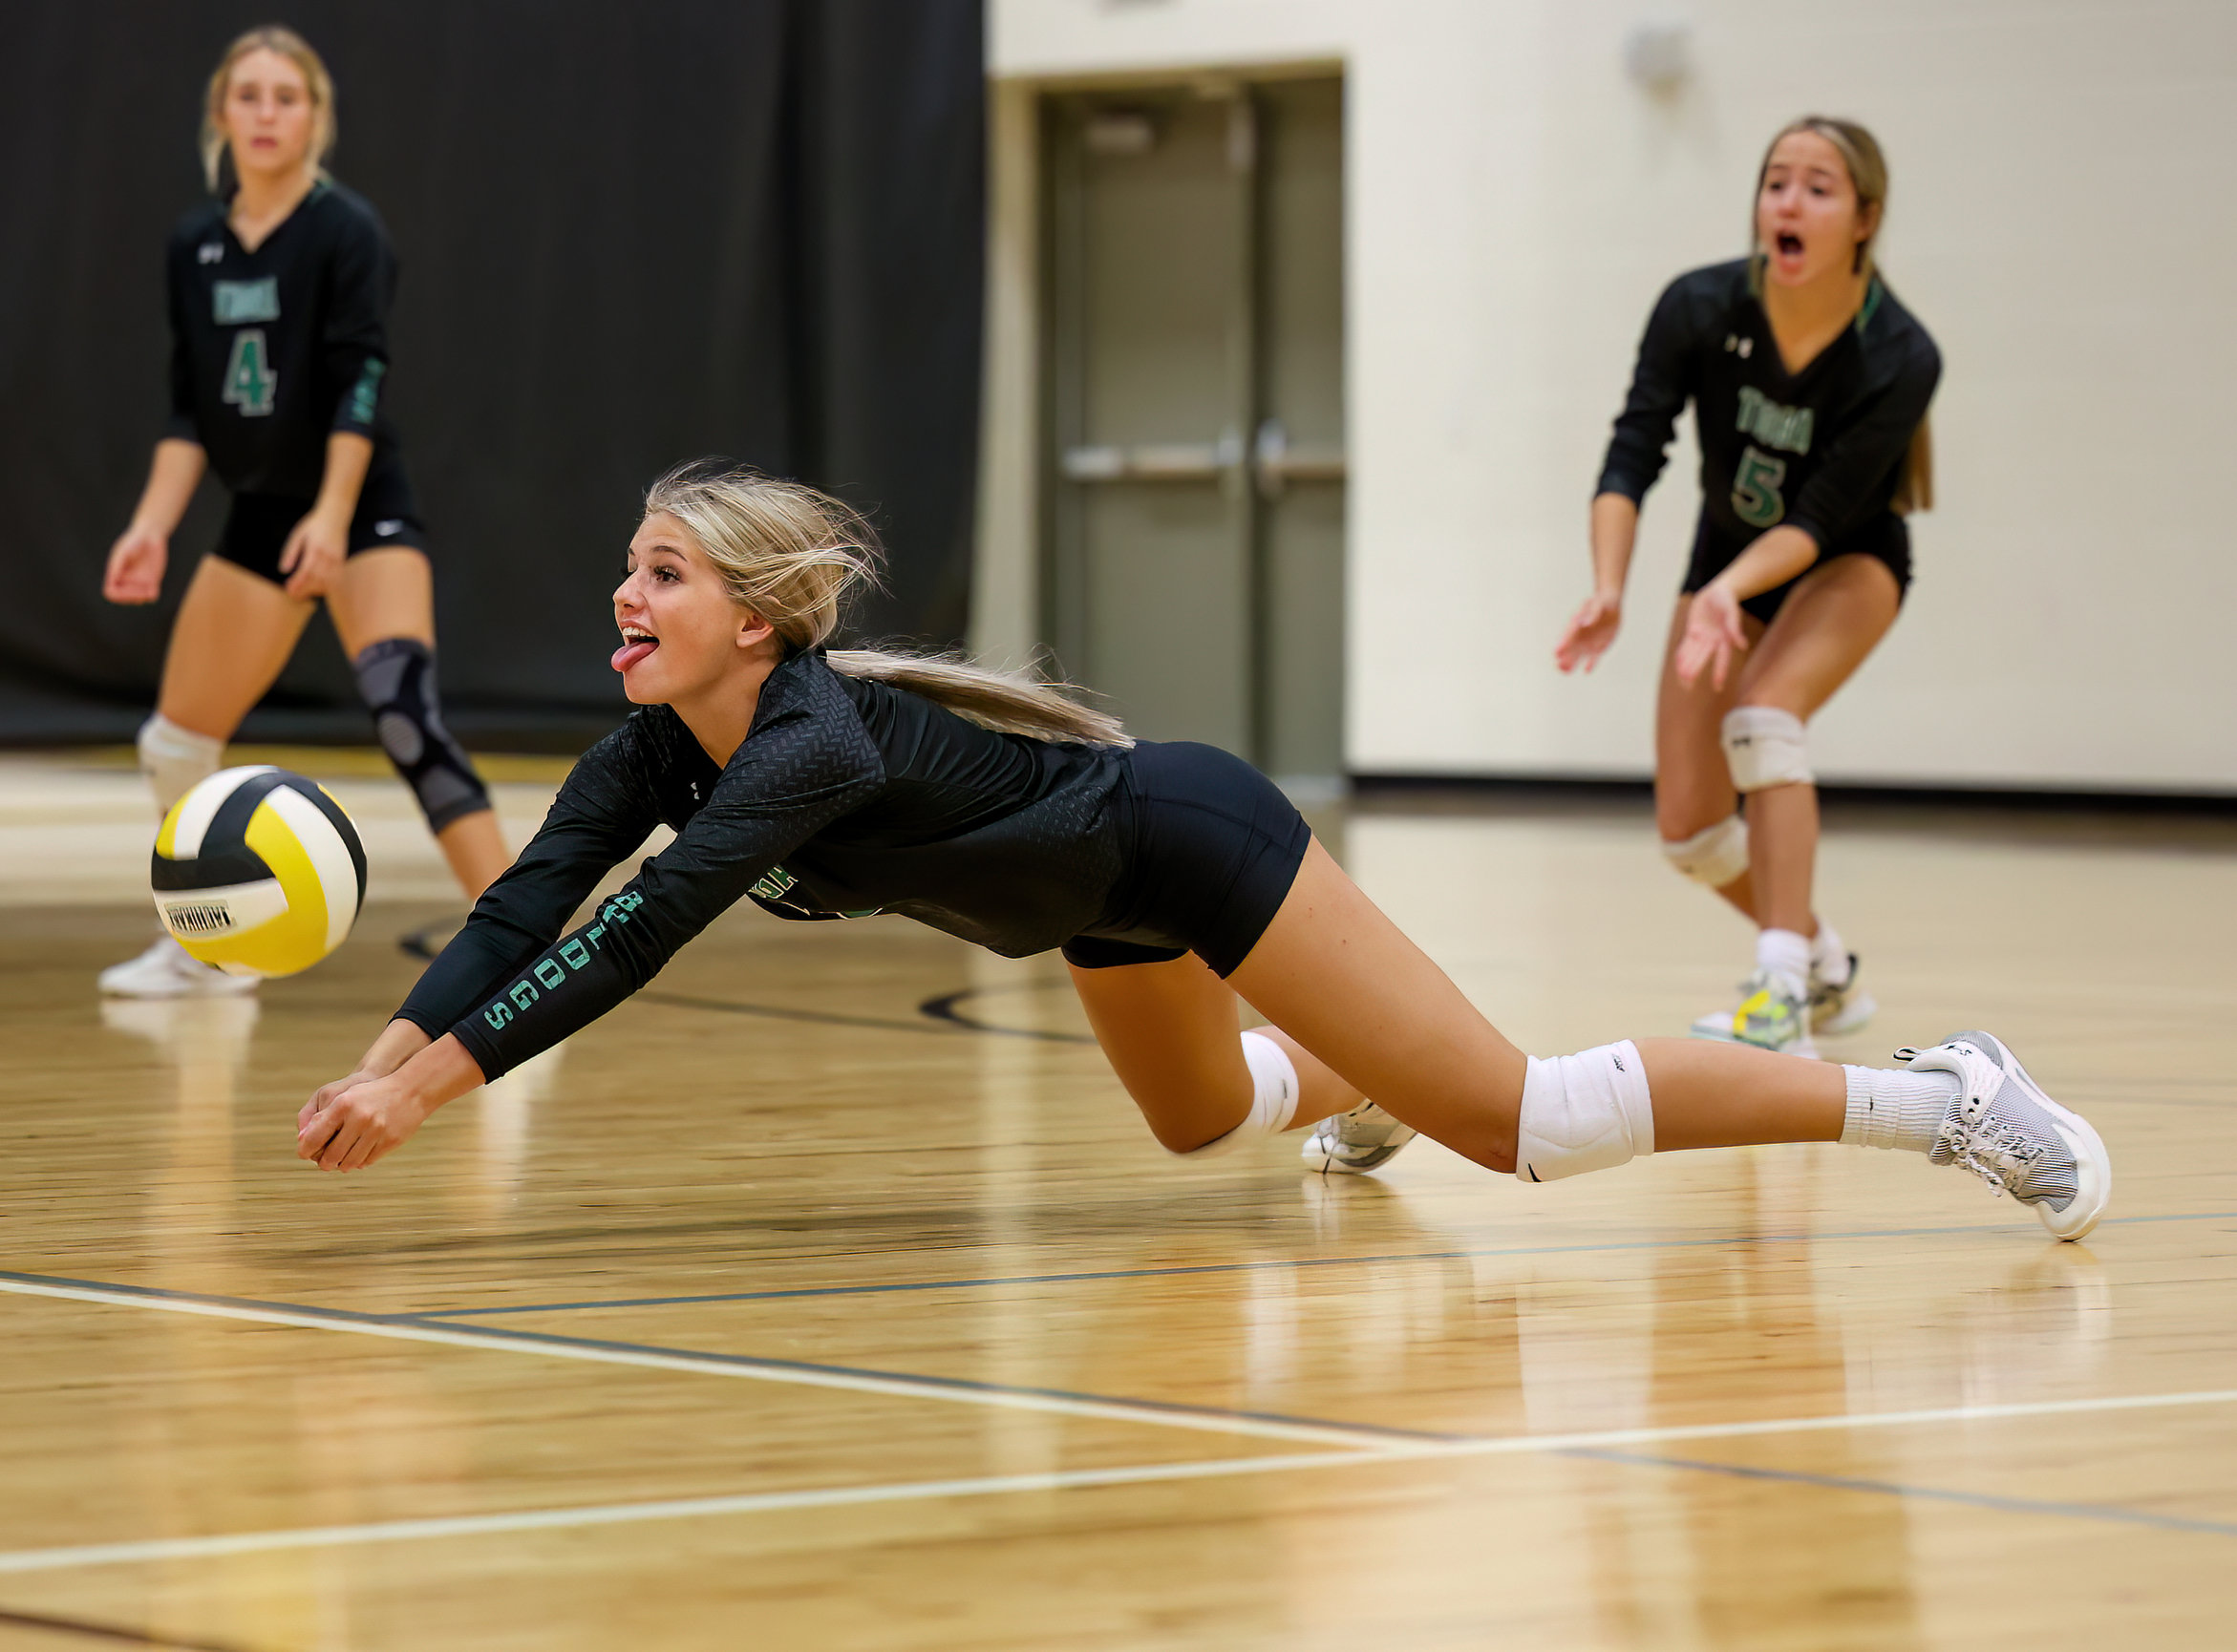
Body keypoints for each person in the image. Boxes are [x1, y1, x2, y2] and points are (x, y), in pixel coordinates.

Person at [294, 460, 2107, 1246]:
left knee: (1525, 1123)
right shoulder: (646, 749)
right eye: (629, 566)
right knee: (1190, 1122)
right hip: (1100, 910)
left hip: (1190, 841)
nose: (626, 591)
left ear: (760, 621)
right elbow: (540, 902)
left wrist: (434, 1092)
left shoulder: (804, 742)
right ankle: (1358, 1073)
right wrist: (384, 1060)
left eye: (664, 571)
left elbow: (641, 936)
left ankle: (1939, 1095)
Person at [100, 25, 506, 998]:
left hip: (359, 509)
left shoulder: (345, 230)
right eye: (250, 95)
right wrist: (151, 524)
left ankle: (515, 946)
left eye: (288, 96)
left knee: (407, 719)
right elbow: (189, 411)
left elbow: (357, 380)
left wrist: (330, 519)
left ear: (316, 118)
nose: (268, 113)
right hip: (257, 514)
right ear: (221, 114)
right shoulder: (192, 243)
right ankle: (211, 943)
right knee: (173, 742)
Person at [1555, 116, 1940, 1056]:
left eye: (1816, 186)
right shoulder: (1698, 307)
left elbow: (1814, 519)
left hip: (1843, 562)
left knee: (1764, 720)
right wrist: (1609, 585)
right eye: (1776, 181)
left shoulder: (1898, 353)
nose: (1789, 202)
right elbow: (1631, 449)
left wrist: (1730, 587)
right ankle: (1822, 962)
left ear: (1863, 218)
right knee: (1688, 829)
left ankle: (1776, 993)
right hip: (1724, 562)